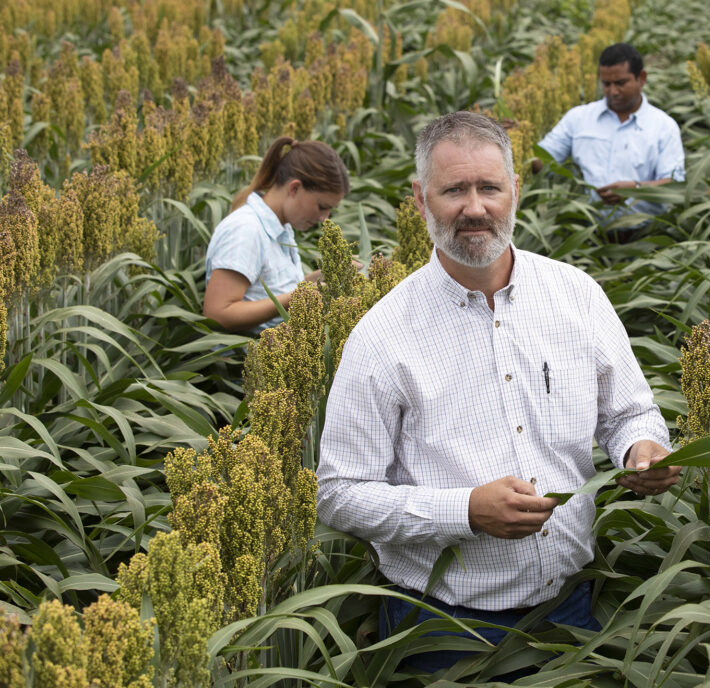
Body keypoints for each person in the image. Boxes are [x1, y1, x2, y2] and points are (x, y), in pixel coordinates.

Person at [316, 112, 680, 673]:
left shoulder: (576, 296)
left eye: (489, 187)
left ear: (516, 189)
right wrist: (465, 510)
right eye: (453, 190)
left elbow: (629, 412)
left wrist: (641, 450)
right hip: (443, 629)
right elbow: (340, 492)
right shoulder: (382, 336)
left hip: (570, 614)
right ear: (420, 199)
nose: (475, 207)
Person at [204, 136, 350, 332]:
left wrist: (328, 275)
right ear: (295, 188)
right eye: (322, 206)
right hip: (243, 359)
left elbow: (274, 290)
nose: (325, 218)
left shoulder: (282, 226)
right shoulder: (245, 230)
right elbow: (218, 313)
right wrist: (301, 296)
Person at [535, 43, 685, 231]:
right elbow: (542, 163)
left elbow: (675, 185)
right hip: (586, 239)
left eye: (621, 83)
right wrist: (515, 139)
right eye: (606, 84)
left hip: (647, 241)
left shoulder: (663, 126)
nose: (613, 91)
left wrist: (636, 189)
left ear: (642, 78)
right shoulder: (579, 118)